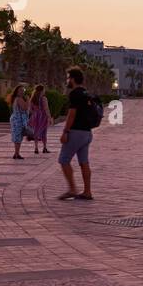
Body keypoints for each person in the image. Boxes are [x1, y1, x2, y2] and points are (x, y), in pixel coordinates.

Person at [58, 68, 95, 201]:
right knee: (84, 162)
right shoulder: (86, 93)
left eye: (68, 78)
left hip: (76, 132)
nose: (67, 81)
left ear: (73, 79)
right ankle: (87, 191)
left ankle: (72, 189)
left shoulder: (74, 94)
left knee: (63, 160)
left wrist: (65, 132)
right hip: (87, 133)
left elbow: (72, 114)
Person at [8, 85, 31, 160]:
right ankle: (16, 153)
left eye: (23, 90)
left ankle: (16, 153)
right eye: (20, 90)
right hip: (18, 120)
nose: (22, 92)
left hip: (16, 119)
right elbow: (25, 107)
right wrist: (28, 100)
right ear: (17, 91)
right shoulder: (19, 99)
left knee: (18, 137)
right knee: (18, 137)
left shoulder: (16, 98)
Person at [28, 83, 50, 154]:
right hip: (42, 117)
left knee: (36, 132)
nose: (44, 91)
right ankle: (44, 148)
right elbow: (46, 109)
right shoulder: (44, 98)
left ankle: (36, 148)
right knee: (44, 132)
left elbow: (30, 109)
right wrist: (49, 117)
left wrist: (35, 112)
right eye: (44, 90)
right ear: (41, 90)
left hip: (35, 116)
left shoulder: (32, 99)